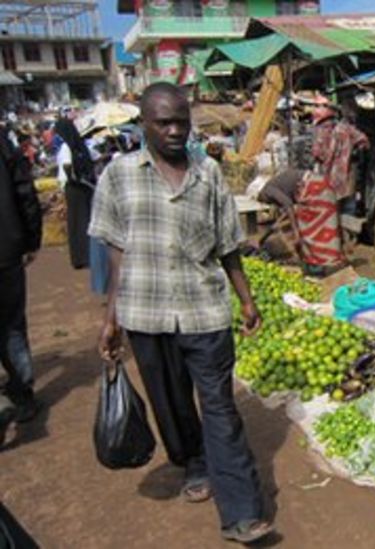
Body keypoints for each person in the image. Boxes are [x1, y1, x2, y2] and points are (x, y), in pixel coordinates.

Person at [89, 82, 274, 544]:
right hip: (146, 313)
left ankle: (242, 513)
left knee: (220, 408)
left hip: (204, 310)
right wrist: (111, 317)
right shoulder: (119, 174)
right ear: (144, 124)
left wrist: (246, 299)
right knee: (170, 404)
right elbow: (116, 250)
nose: (174, 131)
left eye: (181, 122)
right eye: (163, 122)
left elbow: (229, 244)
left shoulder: (208, 172)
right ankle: (192, 460)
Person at [0, 116, 43, 429]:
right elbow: (26, 193)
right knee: (13, 325)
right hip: (7, 249)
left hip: (8, 249)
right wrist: (30, 240)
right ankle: (23, 393)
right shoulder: (5, 144)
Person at [55, 117, 97, 270]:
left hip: (73, 187)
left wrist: (73, 177)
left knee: (76, 222)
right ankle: (87, 254)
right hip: (82, 187)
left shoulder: (65, 147)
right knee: (84, 219)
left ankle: (80, 256)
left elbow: (67, 166)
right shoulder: (79, 145)